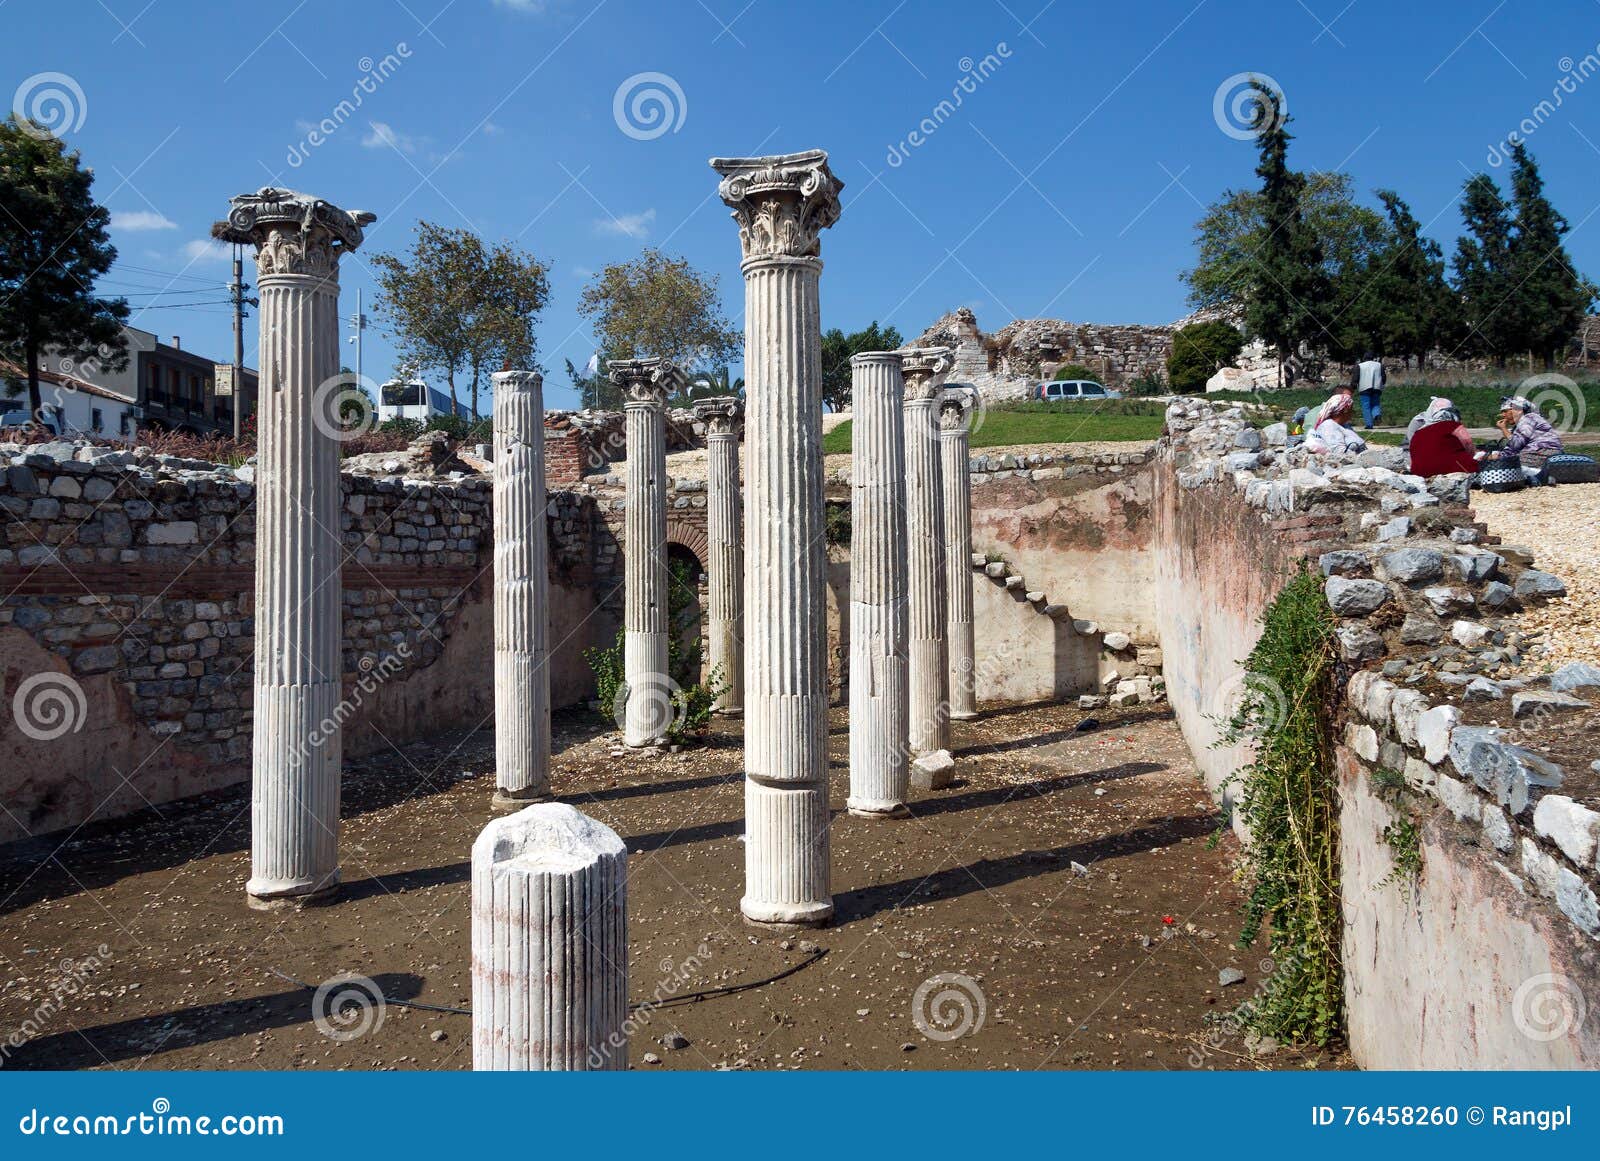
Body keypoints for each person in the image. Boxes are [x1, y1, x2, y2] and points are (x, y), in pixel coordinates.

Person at [1481, 395, 1564, 484]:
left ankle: (1540, 475)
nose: (1503, 415)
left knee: (1509, 465)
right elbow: (1512, 448)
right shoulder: (1525, 421)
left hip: (1543, 452)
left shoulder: (1529, 419)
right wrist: (1498, 455)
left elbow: (1516, 445)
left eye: (1505, 411)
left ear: (1519, 410)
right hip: (1540, 453)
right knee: (1503, 460)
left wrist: (1504, 429)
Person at [1355, 352, 1385, 429]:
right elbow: (1383, 376)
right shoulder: (1379, 365)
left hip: (1364, 388)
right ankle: (1376, 414)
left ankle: (1369, 424)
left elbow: (1356, 378)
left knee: (1366, 406)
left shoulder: (1360, 366)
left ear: (1364, 358)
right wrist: (1382, 384)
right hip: (1376, 387)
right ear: (1373, 358)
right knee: (1375, 404)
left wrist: (1353, 386)